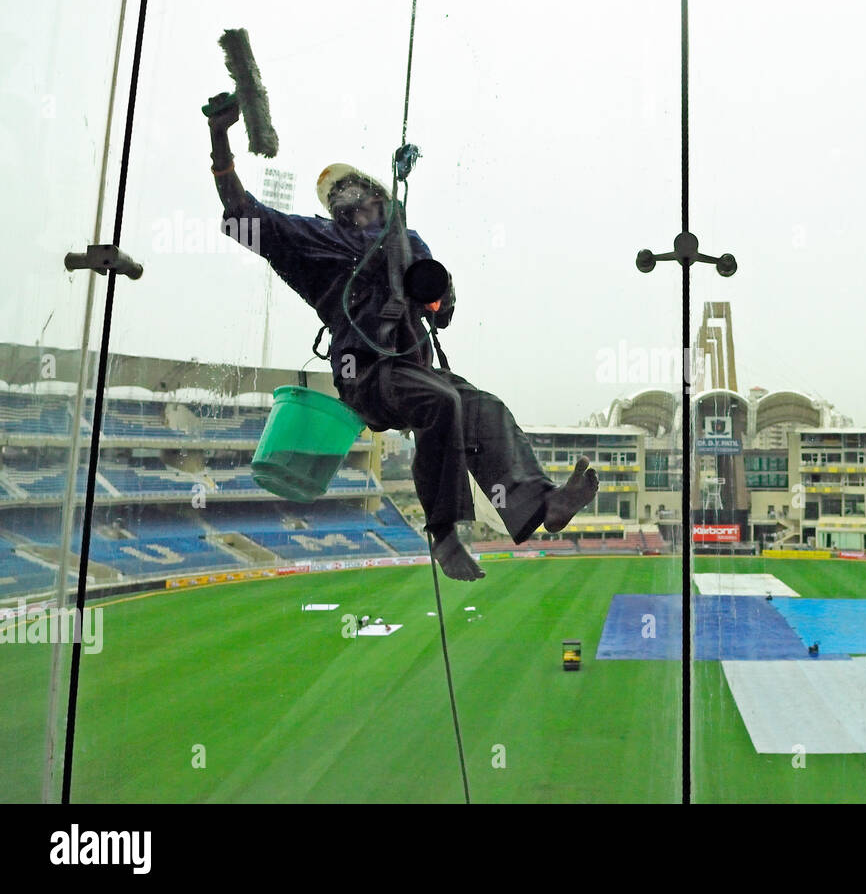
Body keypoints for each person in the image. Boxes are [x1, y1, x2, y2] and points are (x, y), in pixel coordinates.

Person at [206, 99, 598, 581]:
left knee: (485, 408)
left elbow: (442, 310)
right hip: (367, 375)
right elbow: (242, 212)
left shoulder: (409, 243)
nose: (352, 198)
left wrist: (439, 294)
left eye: (359, 188)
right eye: (340, 194)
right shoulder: (316, 242)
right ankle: (443, 533)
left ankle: (542, 505)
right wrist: (219, 138)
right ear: (335, 209)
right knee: (440, 402)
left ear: (377, 194)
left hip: (416, 367)